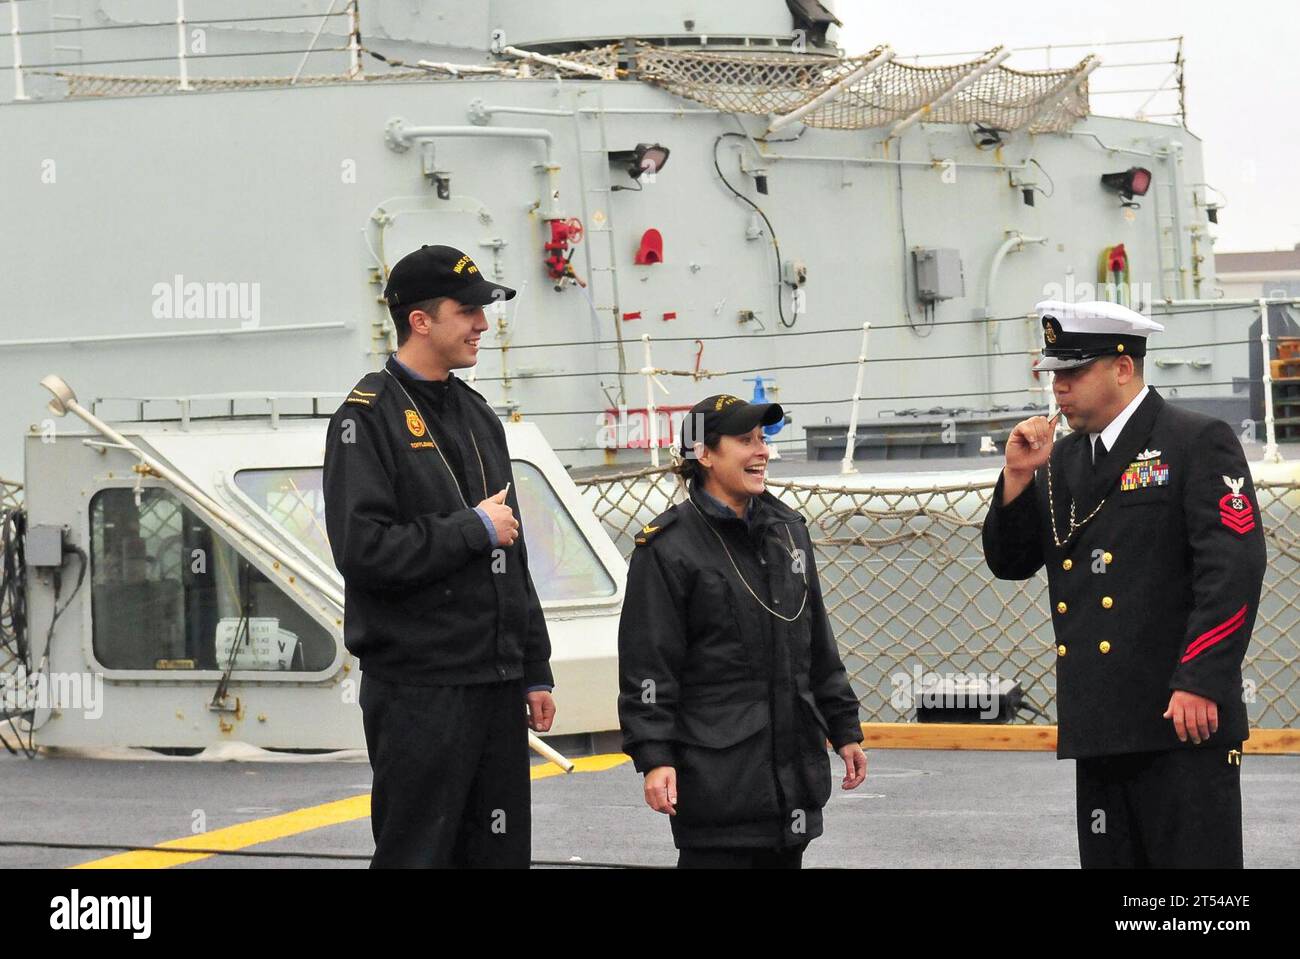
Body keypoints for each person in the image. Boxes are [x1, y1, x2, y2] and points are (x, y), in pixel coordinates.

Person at [982, 299, 1266, 868]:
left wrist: (1201, 680)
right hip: (1101, 722)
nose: (1058, 386)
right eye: (1055, 372)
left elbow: (1233, 567)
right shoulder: (1060, 461)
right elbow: (1010, 562)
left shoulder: (1194, 440)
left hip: (1180, 716)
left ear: (1122, 367)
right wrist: (1016, 476)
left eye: (1073, 371)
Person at [322, 244, 556, 868]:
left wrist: (533, 664)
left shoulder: (479, 414)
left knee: (499, 858)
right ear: (420, 320)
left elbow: (514, 548)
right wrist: (471, 529)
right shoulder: (365, 419)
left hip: (494, 683)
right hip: (420, 689)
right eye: (469, 309)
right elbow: (363, 550)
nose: (483, 323)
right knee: (419, 855)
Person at [617, 394, 867, 868]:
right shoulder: (667, 549)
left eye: (762, 439)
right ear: (705, 454)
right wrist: (654, 756)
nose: (762, 452)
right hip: (717, 785)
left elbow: (817, 643)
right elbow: (649, 665)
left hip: (793, 781)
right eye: (745, 440)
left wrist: (844, 728)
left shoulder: (789, 530)